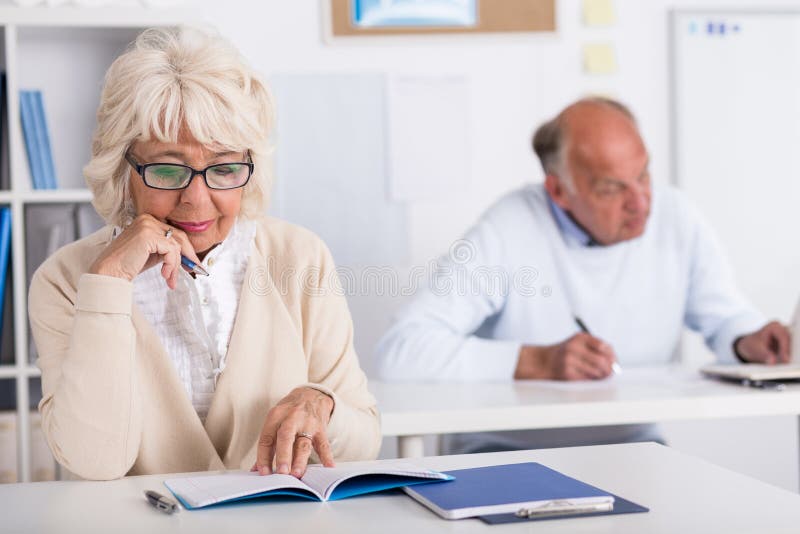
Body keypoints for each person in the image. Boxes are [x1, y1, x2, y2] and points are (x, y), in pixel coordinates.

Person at [28, 27, 380, 481]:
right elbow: (95, 461)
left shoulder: (300, 257)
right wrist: (109, 283)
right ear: (123, 168)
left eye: (225, 167)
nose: (196, 199)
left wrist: (323, 405)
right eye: (169, 170)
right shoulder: (66, 279)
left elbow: (364, 442)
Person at [375, 97, 790, 452]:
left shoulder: (676, 216)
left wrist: (746, 339)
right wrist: (535, 360)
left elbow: (724, 317)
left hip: (632, 448)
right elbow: (401, 351)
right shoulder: (511, 225)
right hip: (504, 452)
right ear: (558, 191)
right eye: (612, 189)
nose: (641, 202)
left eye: (643, 175)